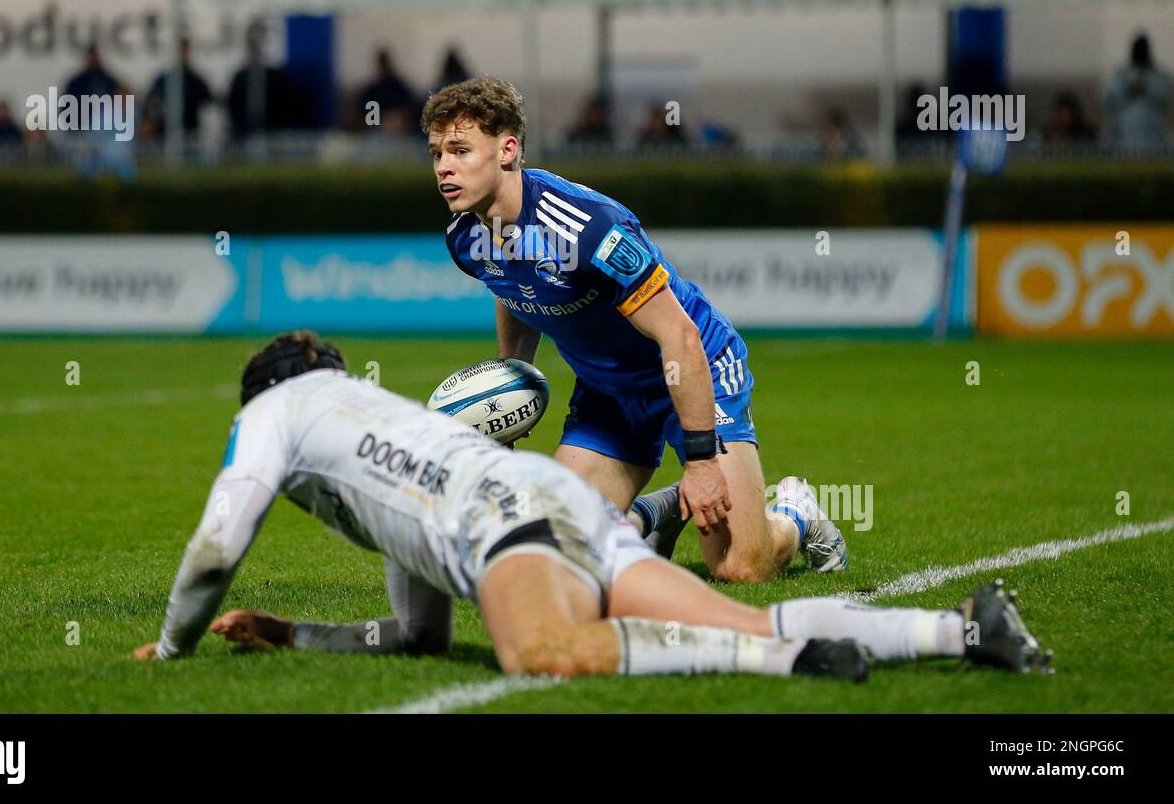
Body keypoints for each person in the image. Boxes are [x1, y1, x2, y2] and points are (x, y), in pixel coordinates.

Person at [132, 330, 1051, 681]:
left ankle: (784, 663)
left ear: (263, 394)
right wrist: (298, 634)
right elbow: (414, 637)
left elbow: (218, 543)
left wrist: (171, 644)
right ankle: (961, 630)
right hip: (550, 499)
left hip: (508, 527)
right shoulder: (388, 449)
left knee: (540, 654)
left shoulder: (275, 413)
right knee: (742, 604)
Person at [426, 77, 845, 585]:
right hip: (607, 394)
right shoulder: (466, 237)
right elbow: (510, 289)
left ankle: (797, 512)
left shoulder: (586, 227)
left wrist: (701, 462)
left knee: (740, 568)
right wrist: (515, 386)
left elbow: (680, 337)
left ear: (508, 149)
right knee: (559, 553)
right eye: (437, 153)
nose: (444, 166)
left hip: (694, 368)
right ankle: (657, 514)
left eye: (460, 150)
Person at [1102, 34, 1171, 152]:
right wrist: (1128, 89)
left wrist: (1144, 88)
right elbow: (1107, 98)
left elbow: (1165, 97)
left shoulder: (1158, 76)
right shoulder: (1120, 75)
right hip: (1124, 138)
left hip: (1153, 136)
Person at [142, 37, 215, 143]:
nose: (183, 54)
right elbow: (151, 101)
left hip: (190, 131)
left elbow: (208, 101)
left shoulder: (196, 80)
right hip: (165, 131)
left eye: (185, 51)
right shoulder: (165, 79)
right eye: (181, 50)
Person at [355, 47, 419, 134]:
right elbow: (364, 113)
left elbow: (410, 108)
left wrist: (397, 118)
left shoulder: (399, 87)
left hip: (399, 129)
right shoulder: (373, 90)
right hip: (377, 129)